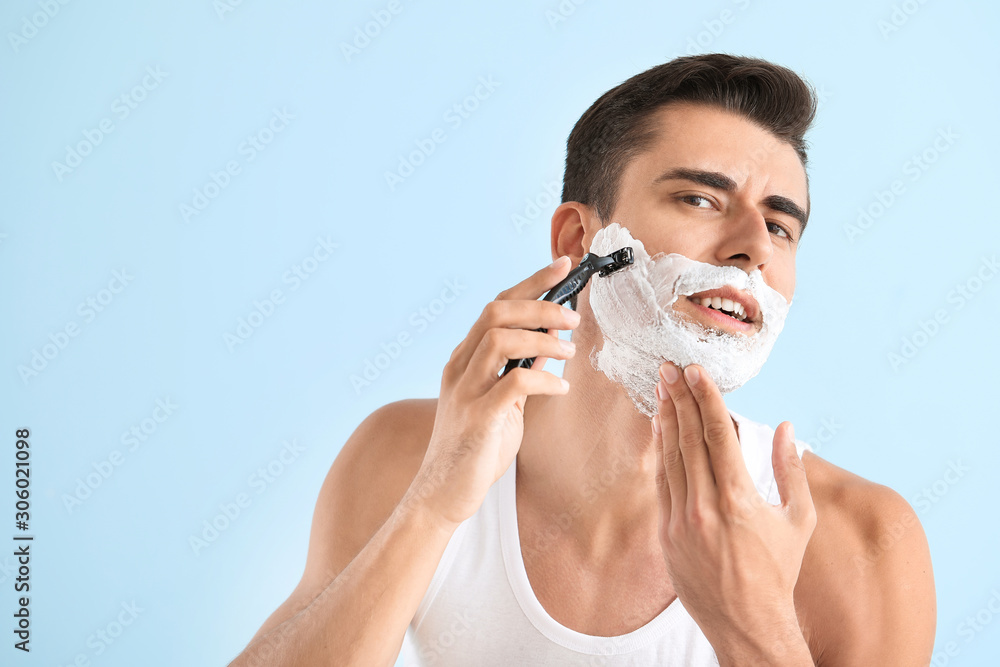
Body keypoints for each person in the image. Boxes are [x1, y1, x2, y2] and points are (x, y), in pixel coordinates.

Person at [229, 53, 936, 666]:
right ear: (580, 239)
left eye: (781, 225)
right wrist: (433, 504)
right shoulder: (409, 452)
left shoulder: (861, 540)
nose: (754, 244)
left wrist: (755, 630)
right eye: (700, 197)